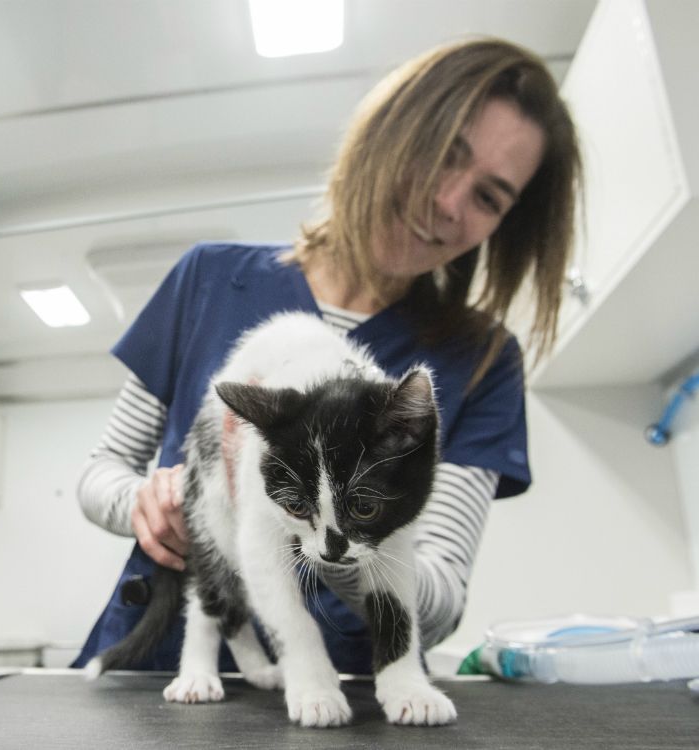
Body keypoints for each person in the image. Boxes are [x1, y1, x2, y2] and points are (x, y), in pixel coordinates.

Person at [71, 37, 580, 674]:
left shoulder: (481, 359)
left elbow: (440, 601)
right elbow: (101, 472)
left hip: (337, 704)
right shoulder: (209, 279)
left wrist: (330, 537)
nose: (448, 204)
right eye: (443, 154)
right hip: (161, 676)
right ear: (392, 131)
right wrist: (145, 503)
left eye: (488, 198)